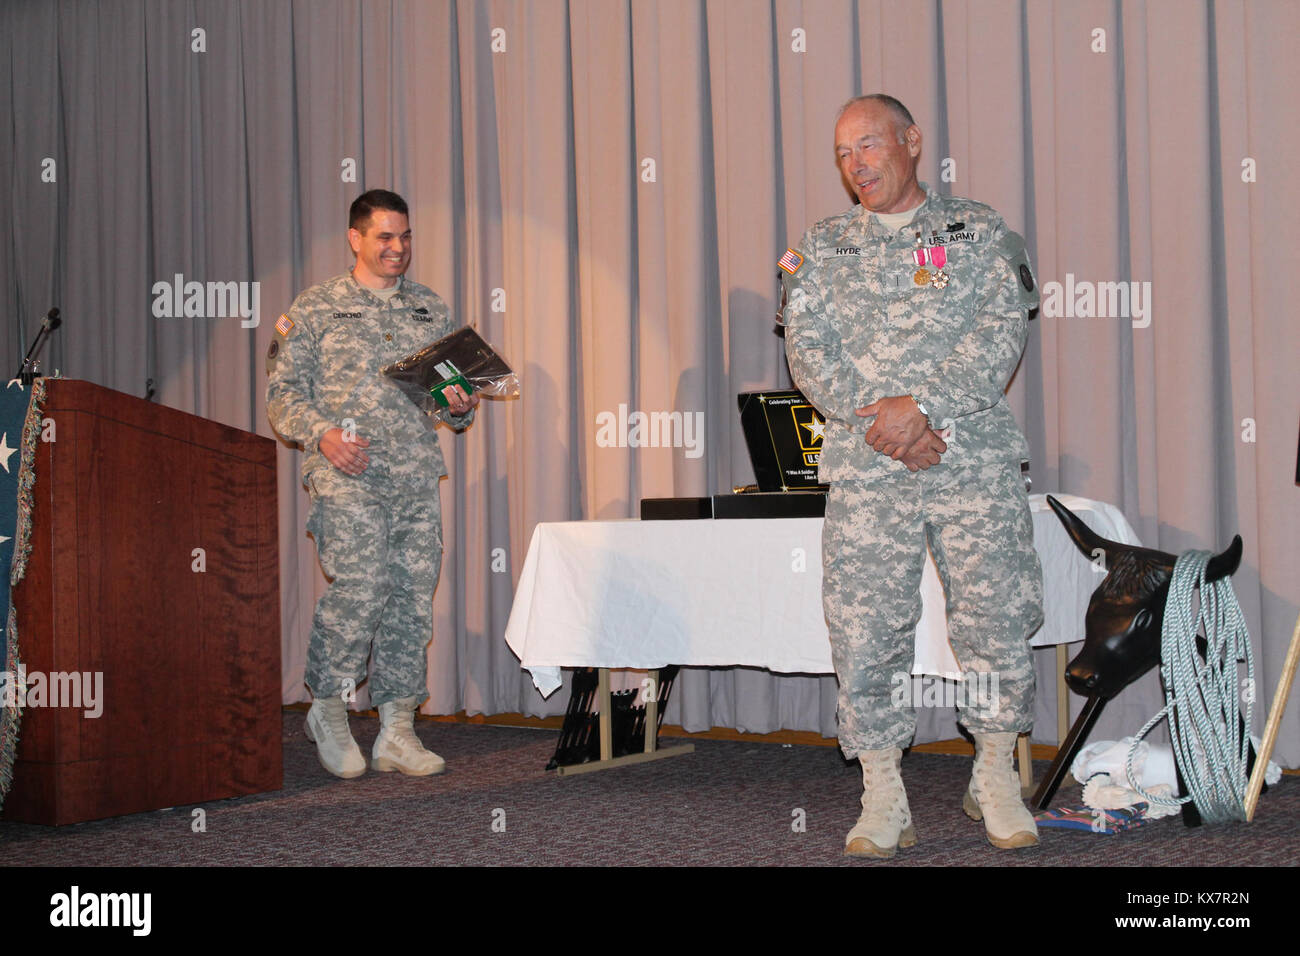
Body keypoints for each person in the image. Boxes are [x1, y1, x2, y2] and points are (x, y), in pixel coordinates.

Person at [781, 95, 1044, 856]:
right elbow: (809, 354)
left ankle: (995, 771)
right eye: (843, 153)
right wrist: (889, 427)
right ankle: (882, 792)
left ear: (913, 142)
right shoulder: (821, 249)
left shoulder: (979, 230)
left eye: (869, 144)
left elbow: (999, 336)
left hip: (970, 458)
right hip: (868, 467)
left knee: (994, 619)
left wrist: (924, 409)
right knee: (866, 632)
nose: (856, 163)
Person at [266, 189, 479, 779]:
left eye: (405, 236)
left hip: (412, 473)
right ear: (355, 239)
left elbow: (452, 405)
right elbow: (282, 397)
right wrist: (322, 433)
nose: (398, 248)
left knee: (411, 598)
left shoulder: (430, 310)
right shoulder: (314, 308)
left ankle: (397, 730)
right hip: (345, 471)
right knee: (362, 585)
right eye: (385, 236)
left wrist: (459, 403)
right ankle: (329, 708)